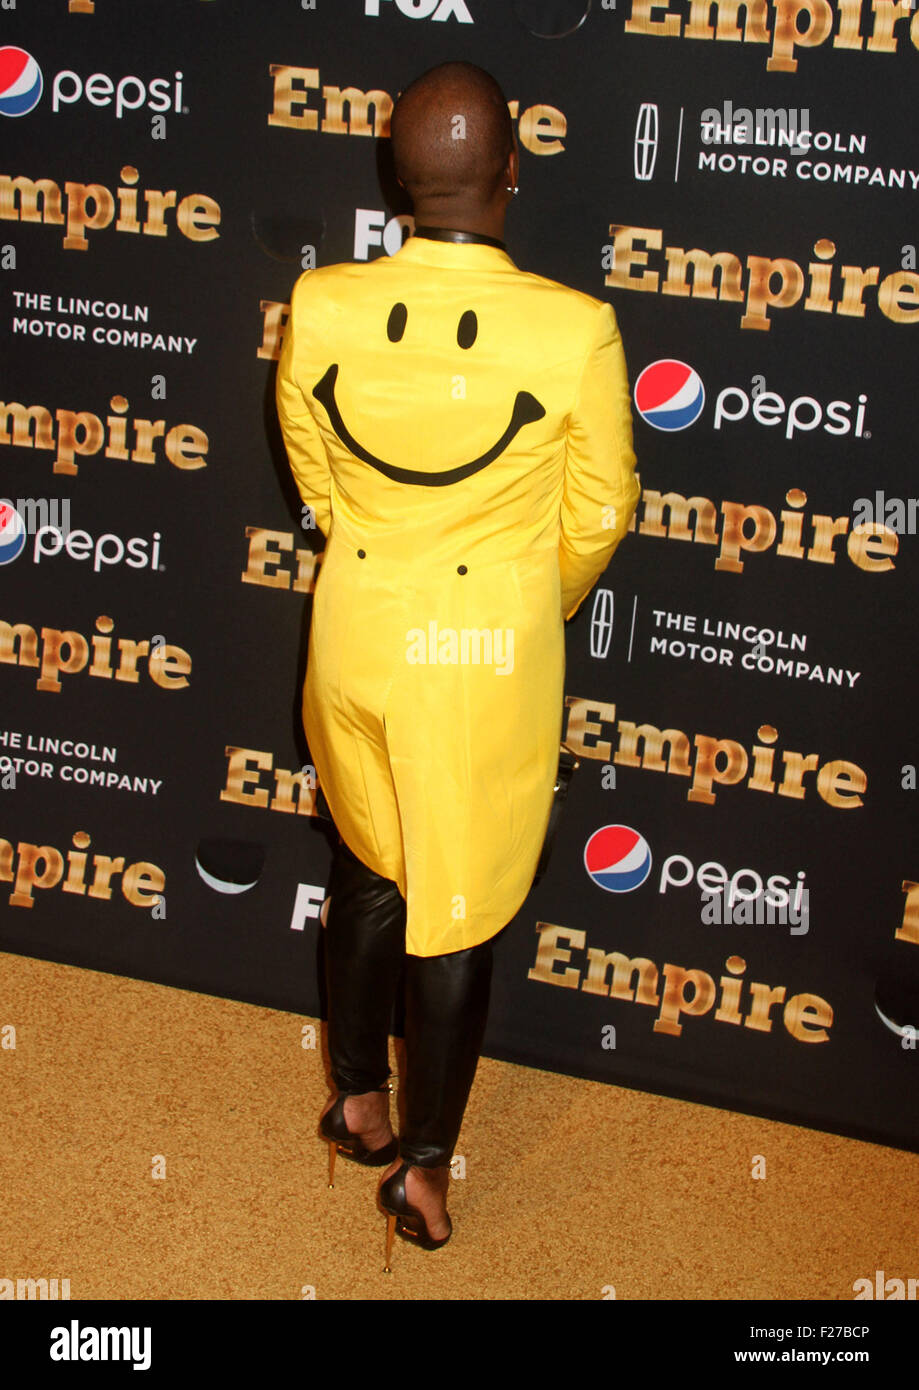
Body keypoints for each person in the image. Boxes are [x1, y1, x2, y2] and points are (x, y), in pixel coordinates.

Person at [275, 60, 639, 1268]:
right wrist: (526, 607)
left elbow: (317, 484)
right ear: (512, 173)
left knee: (371, 867)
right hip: (477, 656)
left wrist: (382, 563)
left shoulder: (323, 304)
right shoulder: (572, 328)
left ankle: (356, 1101)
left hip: (356, 633)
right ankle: (426, 1174)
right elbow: (597, 516)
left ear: (397, 174)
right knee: (458, 913)